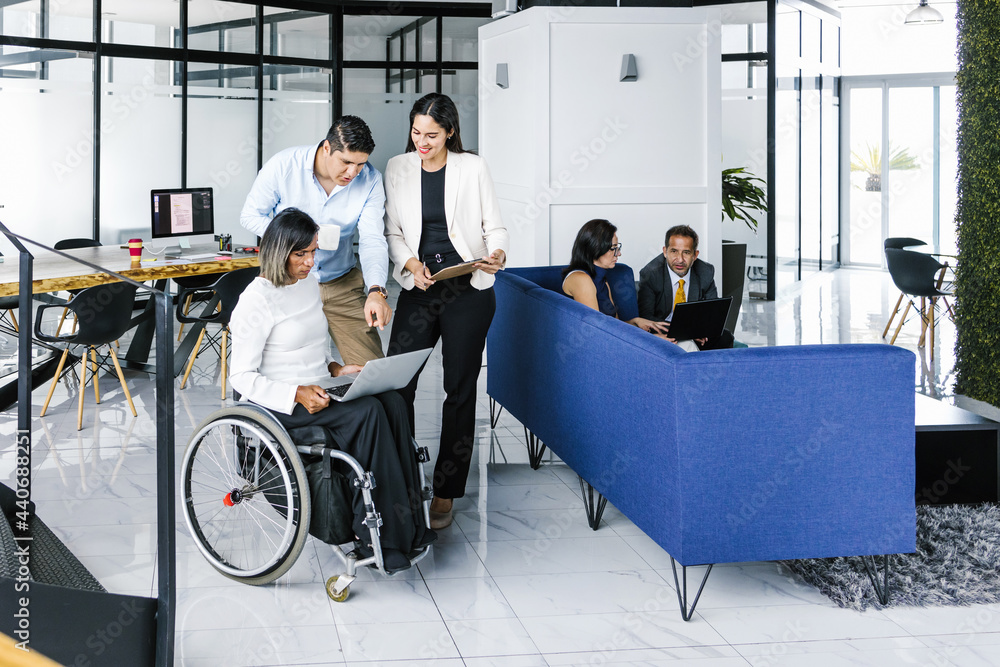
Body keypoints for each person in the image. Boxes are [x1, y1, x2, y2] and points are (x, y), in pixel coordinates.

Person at [229, 208, 434, 573]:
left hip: (320, 387)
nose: (310, 262)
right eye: (300, 254)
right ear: (278, 251)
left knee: (392, 401)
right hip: (280, 403)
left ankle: (410, 525)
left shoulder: (307, 283)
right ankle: (380, 538)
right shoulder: (255, 301)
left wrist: (337, 368)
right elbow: (240, 377)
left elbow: (314, 345)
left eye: (312, 252)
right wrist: (296, 393)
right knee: (368, 413)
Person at [383, 93, 509, 530]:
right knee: (398, 385)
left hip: (469, 290)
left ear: (450, 132)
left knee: (459, 390)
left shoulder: (472, 167)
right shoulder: (397, 168)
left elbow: (494, 226)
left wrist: (497, 252)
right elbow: (393, 231)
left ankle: (445, 491)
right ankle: (398, 478)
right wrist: (410, 264)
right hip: (421, 288)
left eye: (432, 135)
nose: (422, 141)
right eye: (416, 132)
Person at [240, 116, 391, 366]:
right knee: (290, 369)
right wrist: (297, 238)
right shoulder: (284, 165)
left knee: (371, 371)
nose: (352, 172)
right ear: (327, 148)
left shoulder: (371, 180)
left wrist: (376, 290)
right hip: (288, 283)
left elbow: (373, 239)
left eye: (360, 164)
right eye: (346, 162)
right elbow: (250, 215)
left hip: (341, 283)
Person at [561, 219, 669, 335]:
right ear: (595, 248)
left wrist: (635, 322)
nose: (618, 253)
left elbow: (613, 325)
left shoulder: (602, 280)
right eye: (613, 248)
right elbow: (596, 331)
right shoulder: (581, 279)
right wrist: (651, 340)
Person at [637, 224, 734, 350]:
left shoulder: (705, 272)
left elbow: (711, 313)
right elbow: (646, 317)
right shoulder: (651, 274)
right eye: (674, 251)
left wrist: (699, 330)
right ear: (665, 252)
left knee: (726, 337)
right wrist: (687, 332)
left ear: (695, 255)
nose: (680, 259)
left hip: (694, 330)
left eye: (686, 253)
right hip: (663, 332)